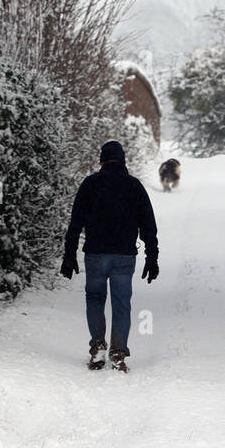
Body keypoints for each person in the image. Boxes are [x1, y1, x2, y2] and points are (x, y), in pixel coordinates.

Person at [61, 139, 159, 372]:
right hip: (124, 256)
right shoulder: (134, 186)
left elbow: (75, 222)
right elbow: (148, 225)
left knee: (94, 299)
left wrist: (69, 254)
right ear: (123, 161)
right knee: (121, 303)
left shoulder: (90, 184)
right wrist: (152, 256)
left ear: (102, 161)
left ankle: (97, 348)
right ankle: (118, 353)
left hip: (95, 254)